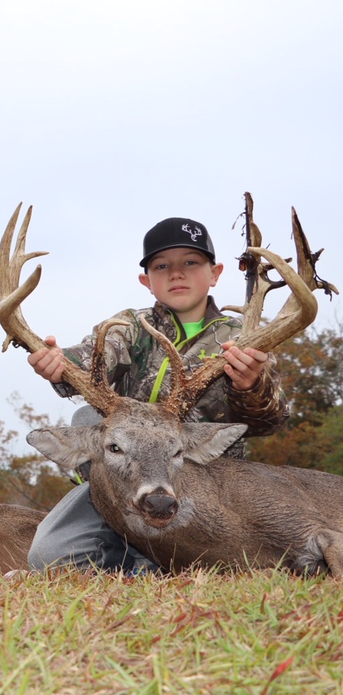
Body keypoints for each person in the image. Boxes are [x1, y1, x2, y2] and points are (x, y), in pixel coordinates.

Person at [26, 217, 288, 572]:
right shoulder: (131, 327)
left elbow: (271, 420)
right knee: (50, 552)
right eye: (162, 266)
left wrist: (250, 386)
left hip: (203, 477)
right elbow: (90, 360)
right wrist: (58, 362)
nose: (176, 273)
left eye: (191, 262)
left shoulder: (243, 337)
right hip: (127, 475)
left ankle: (148, 553)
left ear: (215, 274)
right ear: (146, 281)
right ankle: (136, 554)